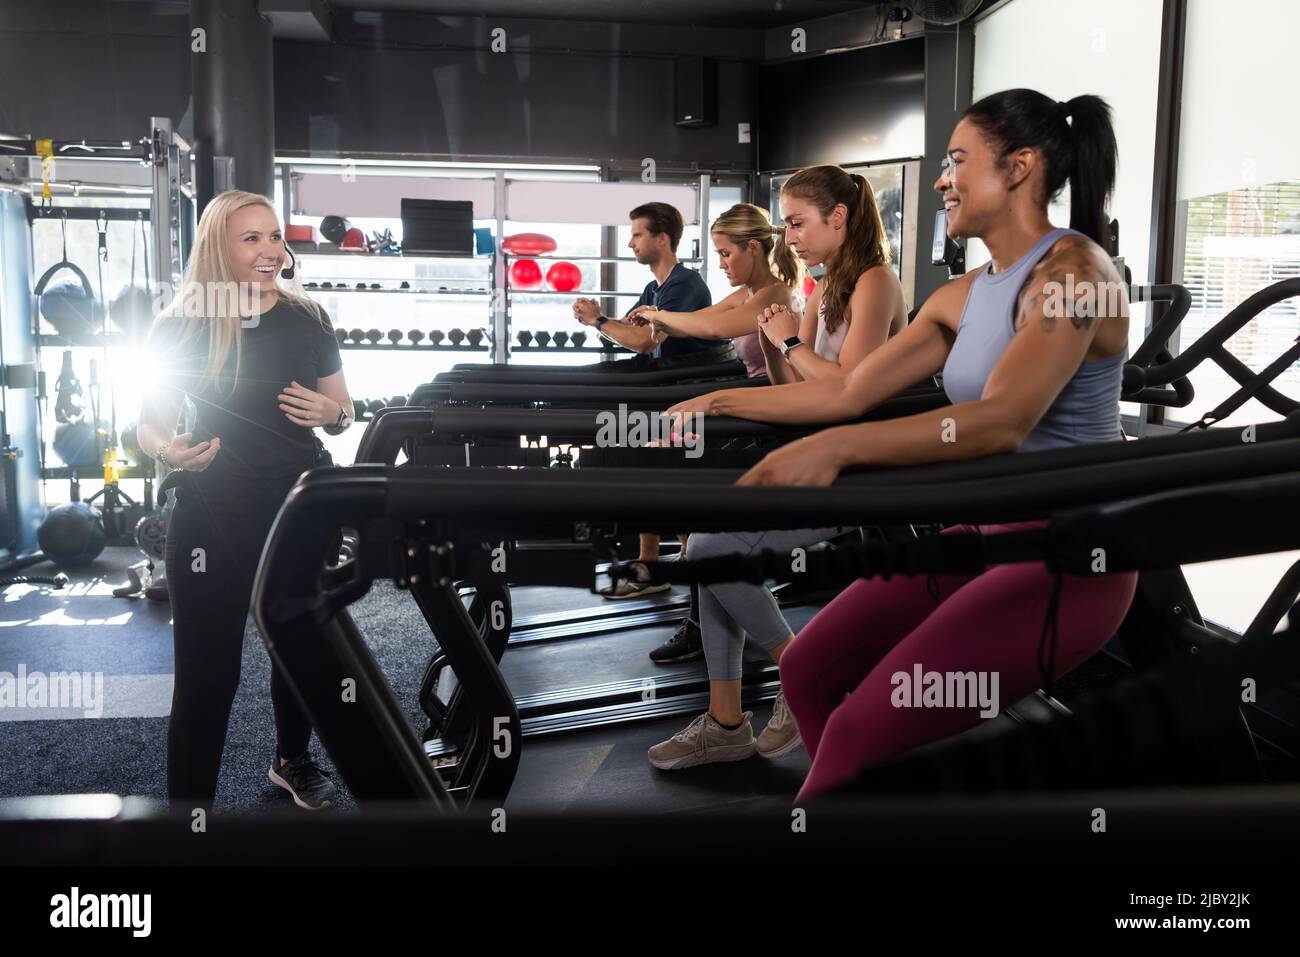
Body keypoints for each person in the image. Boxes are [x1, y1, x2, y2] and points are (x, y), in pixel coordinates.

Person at [717, 90, 1138, 801]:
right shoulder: (963, 294)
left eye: (956, 161)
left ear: (1019, 168)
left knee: (857, 730)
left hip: (1068, 556)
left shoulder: (1078, 276)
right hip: (981, 533)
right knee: (805, 671)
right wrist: (712, 404)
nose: (941, 179)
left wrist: (841, 450)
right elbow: (844, 392)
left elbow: (1003, 418)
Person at [645, 165, 907, 763]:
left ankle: (804, 675)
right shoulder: (829, 283)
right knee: (705, 550)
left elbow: (848, 388)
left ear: (838, 217)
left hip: (863, 465)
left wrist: (776, 353)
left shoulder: (875, 282)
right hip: (817, 451)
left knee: (709, 549)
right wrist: (774, 343)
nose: (788, 236)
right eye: (785, 223)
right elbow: (799, 387)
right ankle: (726, 720)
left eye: (796, 222)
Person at [136, 190, 354, 811]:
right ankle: (189, 815)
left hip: (298, 505)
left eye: (275, 236)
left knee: (301, 653)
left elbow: (345, 410)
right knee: (207, 675)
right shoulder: (180, 322)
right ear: (217, 246)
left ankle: (292, 760)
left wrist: (334, 413)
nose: (270, 251)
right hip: (212, 510)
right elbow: (149, 425)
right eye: (251, 238)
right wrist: (168, 451)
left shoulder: (309, 316)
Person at [633, 202, 802, 378]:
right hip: (756, 389)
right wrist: (658, 318)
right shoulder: (745, 295)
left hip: (778, 394)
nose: (721, 265)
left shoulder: (777, 295)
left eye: (726, 254)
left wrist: (660, 317)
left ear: (753, 248)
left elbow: (715, 328)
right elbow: (697, 321)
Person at [572, 202, 717, 367]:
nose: (630, 244)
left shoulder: (684, 284)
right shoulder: (653, 288)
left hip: (682, 377)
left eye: (638, 235)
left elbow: (644, 342)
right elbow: (625, 327)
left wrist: (597, 320)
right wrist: (593, 317)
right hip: (663, 371)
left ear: (662, 239)